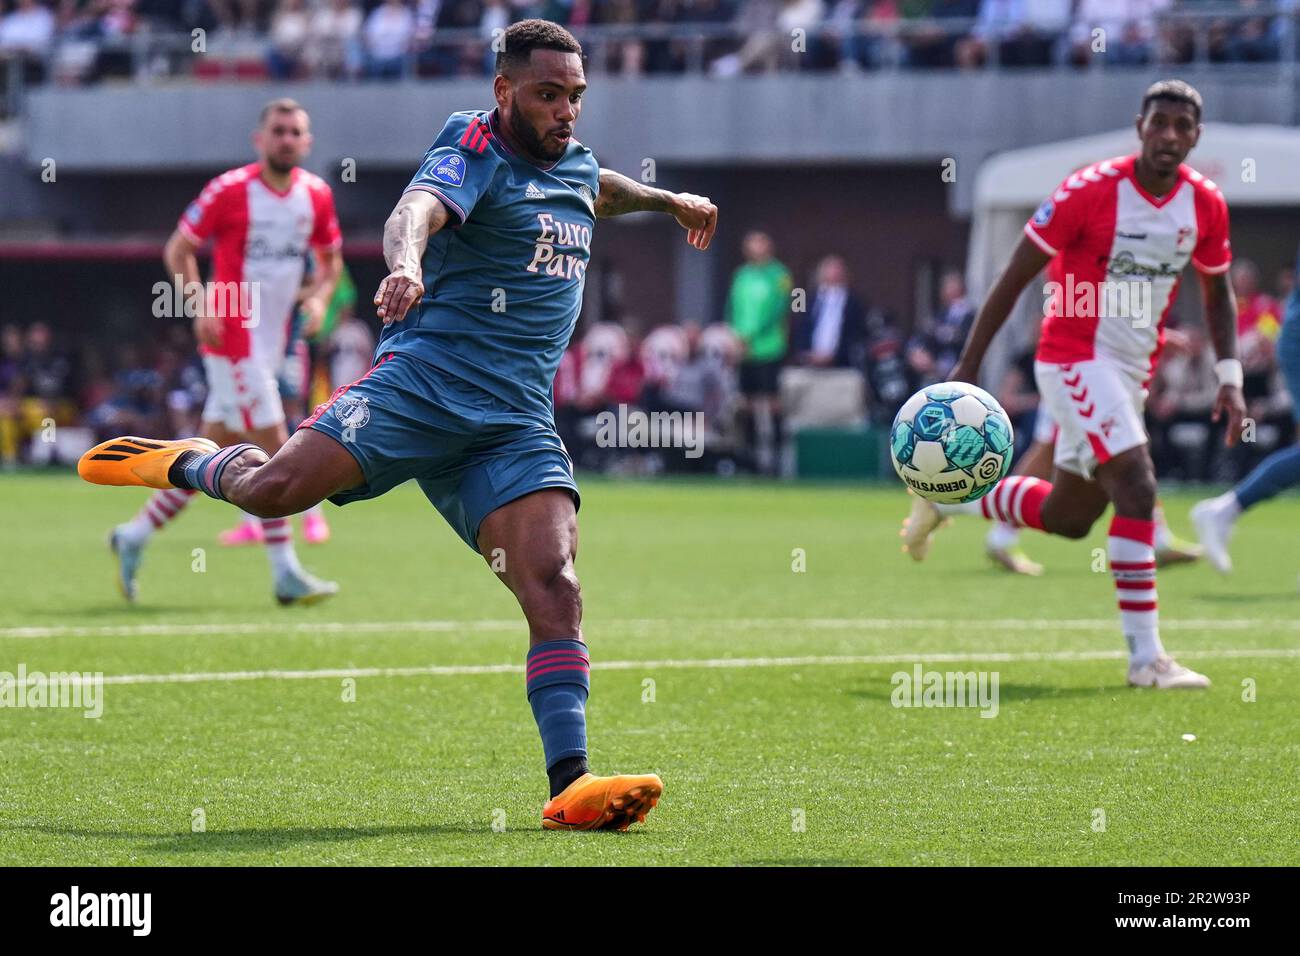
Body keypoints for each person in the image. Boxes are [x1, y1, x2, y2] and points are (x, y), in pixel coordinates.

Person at [79, 20, 719, 832]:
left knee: (554, 586)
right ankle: (187, 461)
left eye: (575, 96)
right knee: (274, 490)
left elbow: (601, 190)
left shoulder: (578, 163)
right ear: (503, 91)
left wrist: (669, 202)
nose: (565, 110)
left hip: (512, 421)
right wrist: (408, 263)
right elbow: (413, 210)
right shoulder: (475, 146)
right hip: (420, 387)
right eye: (547, 94)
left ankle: (570, 787)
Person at [900, 79, 1245, 690]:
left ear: (1197, 136)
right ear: (1139, 126)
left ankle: (947, 497)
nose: (1168, 135)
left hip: (1132, 369)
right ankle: (1147, 660)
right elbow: (1014, 274)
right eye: (1158, 122)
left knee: (1070, 516)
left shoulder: (1205, 204)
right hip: (1074, 357)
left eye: (1181, 127)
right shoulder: (1089, 192)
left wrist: (1229, 373)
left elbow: (1216, 290)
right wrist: (969, 363)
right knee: (1137, 488)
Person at [102, 98, 344, 605]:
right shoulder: (229, 190)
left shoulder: (316, 196)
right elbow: (179, 249)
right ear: (259, 139)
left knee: (206, 456)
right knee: (277, 449)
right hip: (231, 339)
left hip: (275, 343)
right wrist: (199, 304)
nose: (285, 138)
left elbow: (331, 260)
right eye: (277, 130)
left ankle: (133, 536)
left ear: (307, 142)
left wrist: (320, 299)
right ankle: (285, 572)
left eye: (294, 131)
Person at [1191, 244, 1300, 576]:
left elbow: (1269, 329)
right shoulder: (1249, 307)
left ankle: (1226, 509)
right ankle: (1226, 509)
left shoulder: (1263, 306)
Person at [727, 230, 791, 474]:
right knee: (747, 403)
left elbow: (780, 308)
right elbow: (732, 307)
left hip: (769, 347)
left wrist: (753, 334)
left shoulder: (781, 275)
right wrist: (734, 334)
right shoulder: (741, 275)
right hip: (745, 350)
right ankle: (750, 458)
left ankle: (776, 459)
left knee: (772, 402)